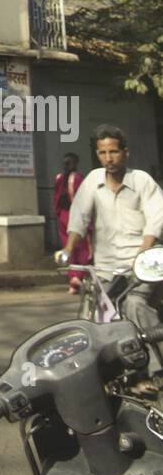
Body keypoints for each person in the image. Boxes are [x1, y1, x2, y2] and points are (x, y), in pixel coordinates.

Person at [59, 125, 163, 392]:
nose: (109, 158)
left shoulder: (141, 181)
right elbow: (78, 219)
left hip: (144, 266)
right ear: (97, 154)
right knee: (95, 317)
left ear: (125, 153)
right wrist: (68, 250)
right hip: (106, 268)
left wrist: (144, 250)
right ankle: (102, 374)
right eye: (103, 152)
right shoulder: (92, 181)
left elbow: (156, 219)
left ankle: (154, 370)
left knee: (134, 305)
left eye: (114, 151)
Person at [53, 153, 91, 294]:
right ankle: (78, 277)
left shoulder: (59, 178)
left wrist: (58, 215)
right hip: (76, 216)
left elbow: (56, 199)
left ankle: (72, 281)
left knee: (68, 248)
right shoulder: (79, 178)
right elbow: (84, 199)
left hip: (63, 215)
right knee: (82, 249)